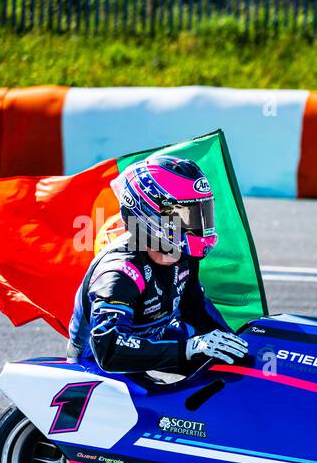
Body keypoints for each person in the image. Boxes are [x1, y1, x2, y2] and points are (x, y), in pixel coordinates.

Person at [67, 155, 249, 374]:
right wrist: (190, 348)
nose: (199, 225)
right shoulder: (119, 274)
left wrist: (242, 346)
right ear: (148, 217)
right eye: (187, 216)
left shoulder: (182, 256)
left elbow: (196, 310)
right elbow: (109, 350)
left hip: (157, 338)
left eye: (203, 213)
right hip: (102, 365)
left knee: (232, 368)